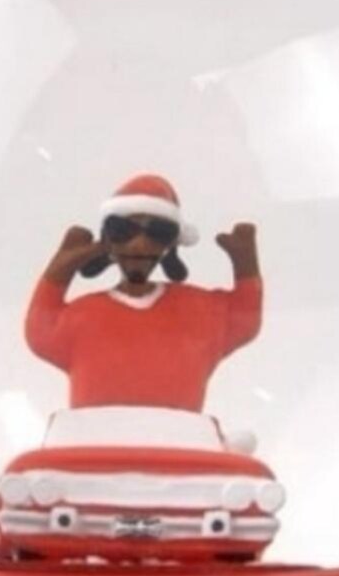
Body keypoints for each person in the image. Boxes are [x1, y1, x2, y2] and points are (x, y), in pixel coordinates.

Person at [25, 174, 261, 412]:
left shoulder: (200, 311)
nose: (139, 244)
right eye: (122, 230)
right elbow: (39, 331)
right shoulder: (83, 315)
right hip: (93, 434)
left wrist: (246, 264)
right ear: (106, 241)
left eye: (158, 232)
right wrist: (61, 268)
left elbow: (244, 318)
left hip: (180, 434)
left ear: (172, 244)